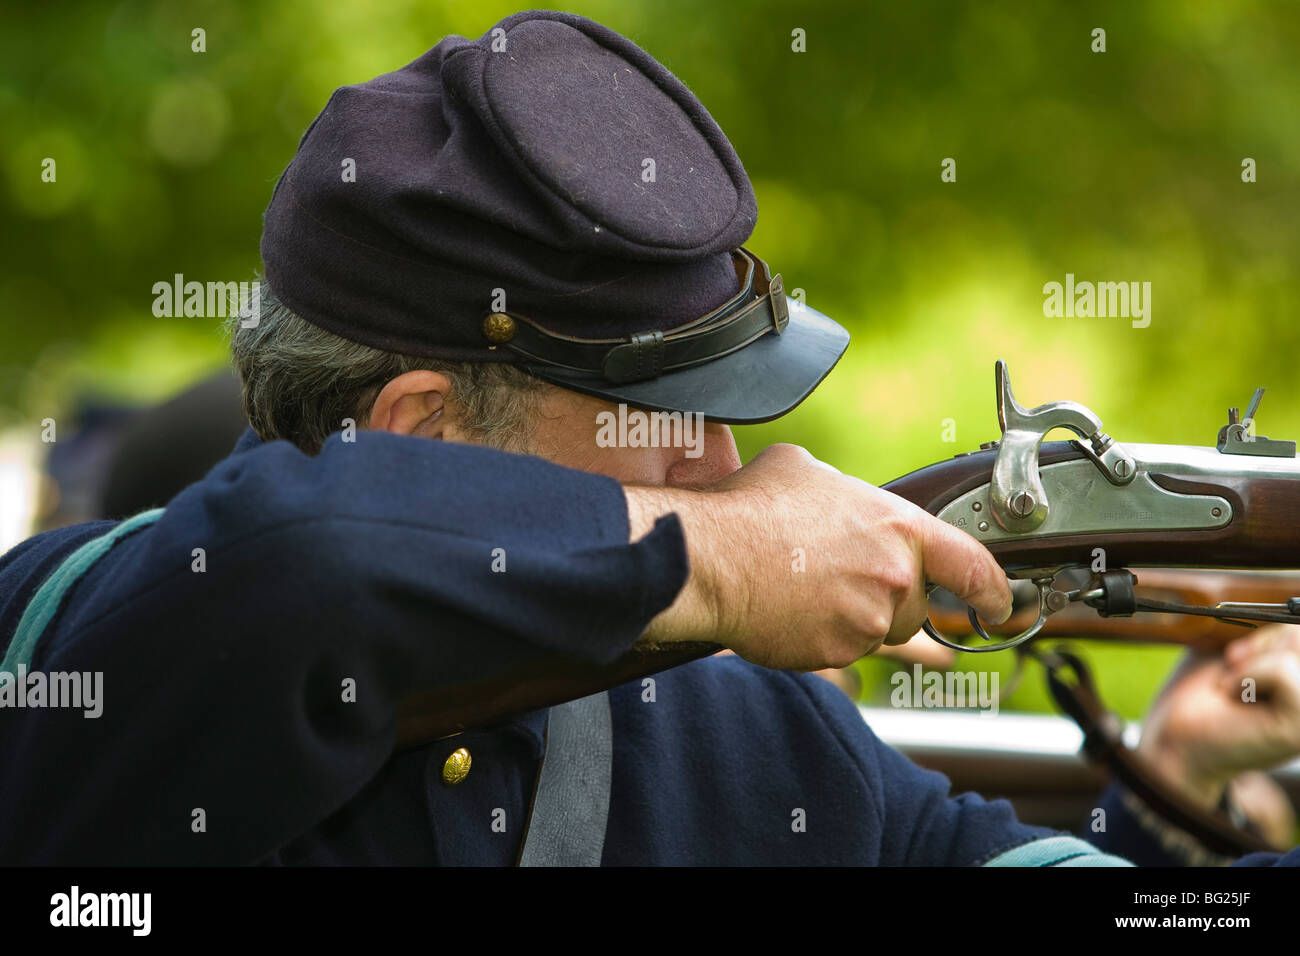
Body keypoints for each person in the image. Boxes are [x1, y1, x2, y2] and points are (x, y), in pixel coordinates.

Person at [1, 10, 1297, 866]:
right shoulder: (101, 643)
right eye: (669, 418)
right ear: (424, 431)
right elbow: (300, 556)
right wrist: (726, 564)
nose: (731, 473)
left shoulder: (730, 724)